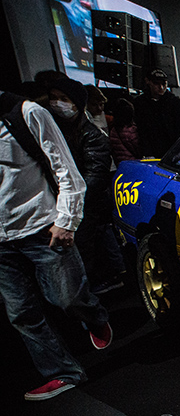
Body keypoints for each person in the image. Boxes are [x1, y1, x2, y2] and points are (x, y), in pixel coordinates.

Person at [0, 90, 112, 400]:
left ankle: (95, 316)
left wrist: (66, 220)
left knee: (67, 299)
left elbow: (65, 168)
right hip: (2, 242)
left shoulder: (27, 113)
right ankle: (62, 373)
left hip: (42, 226)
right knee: (21, 313)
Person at [47, 78, 124, 293]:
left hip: (86, 205)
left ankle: (94, 288)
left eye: (64, 99)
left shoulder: (92, 135)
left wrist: (71, 203)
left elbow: (95, 175)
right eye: (54, 98)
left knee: (88, 249)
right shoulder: (54, 131)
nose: (57, 103)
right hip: (67, 204)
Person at [133, 69, 180, 158]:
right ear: (149, 82)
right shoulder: (140, 103)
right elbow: (141, 130)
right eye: (156, 83)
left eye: (164, 84)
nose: (161, 87)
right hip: (151, 151)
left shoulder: (175, 103)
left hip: (172, 151)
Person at [109, 98, 141, 164]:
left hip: (121, 163)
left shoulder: (113, 130)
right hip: (133, 163)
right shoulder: (131, 131)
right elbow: (137, 149)